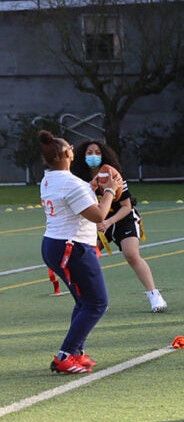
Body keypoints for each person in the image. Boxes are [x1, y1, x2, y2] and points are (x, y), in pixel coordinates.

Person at [38, 131, 122, 374]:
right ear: (66, 154)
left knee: (84, 301)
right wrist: (109, 189)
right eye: (71, 148)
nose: (74, 150)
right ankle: (65, 355)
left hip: (56, 244)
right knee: (97, 303)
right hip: (72, 247)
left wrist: (94, 186)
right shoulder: (71, 183)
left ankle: (75, 352)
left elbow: (73, 195)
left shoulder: (50, 178)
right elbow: (97, 215)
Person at [71, 139, 167, 312]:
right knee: (87, 259)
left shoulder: (112, 174)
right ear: (82, 156)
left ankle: (154, 295)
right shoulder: (78, 179)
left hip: (121, 218)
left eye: (97, 152)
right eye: (89, 153)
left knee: (131, 254)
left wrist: (108, 221)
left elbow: (126, 206)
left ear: (104, 155)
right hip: (96, 221)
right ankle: (94, 299)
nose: (93, 156)